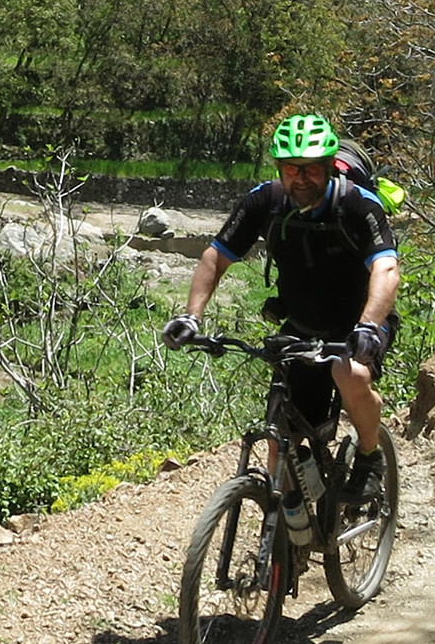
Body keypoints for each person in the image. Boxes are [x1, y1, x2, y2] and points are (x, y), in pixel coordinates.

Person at [162, 112, 399, 502]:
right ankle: (288, 542)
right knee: (281, 437)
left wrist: (369, 326)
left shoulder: (358, 205)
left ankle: (370, 458)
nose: (300, 178)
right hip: (301, 324)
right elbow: (214, 258)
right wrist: (191, 316)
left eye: (310, 169)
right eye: (291, 168)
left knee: (350, 373)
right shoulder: (265, 201)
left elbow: (386, 268)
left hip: (358, 326)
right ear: (279, 168)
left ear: (328, 167)